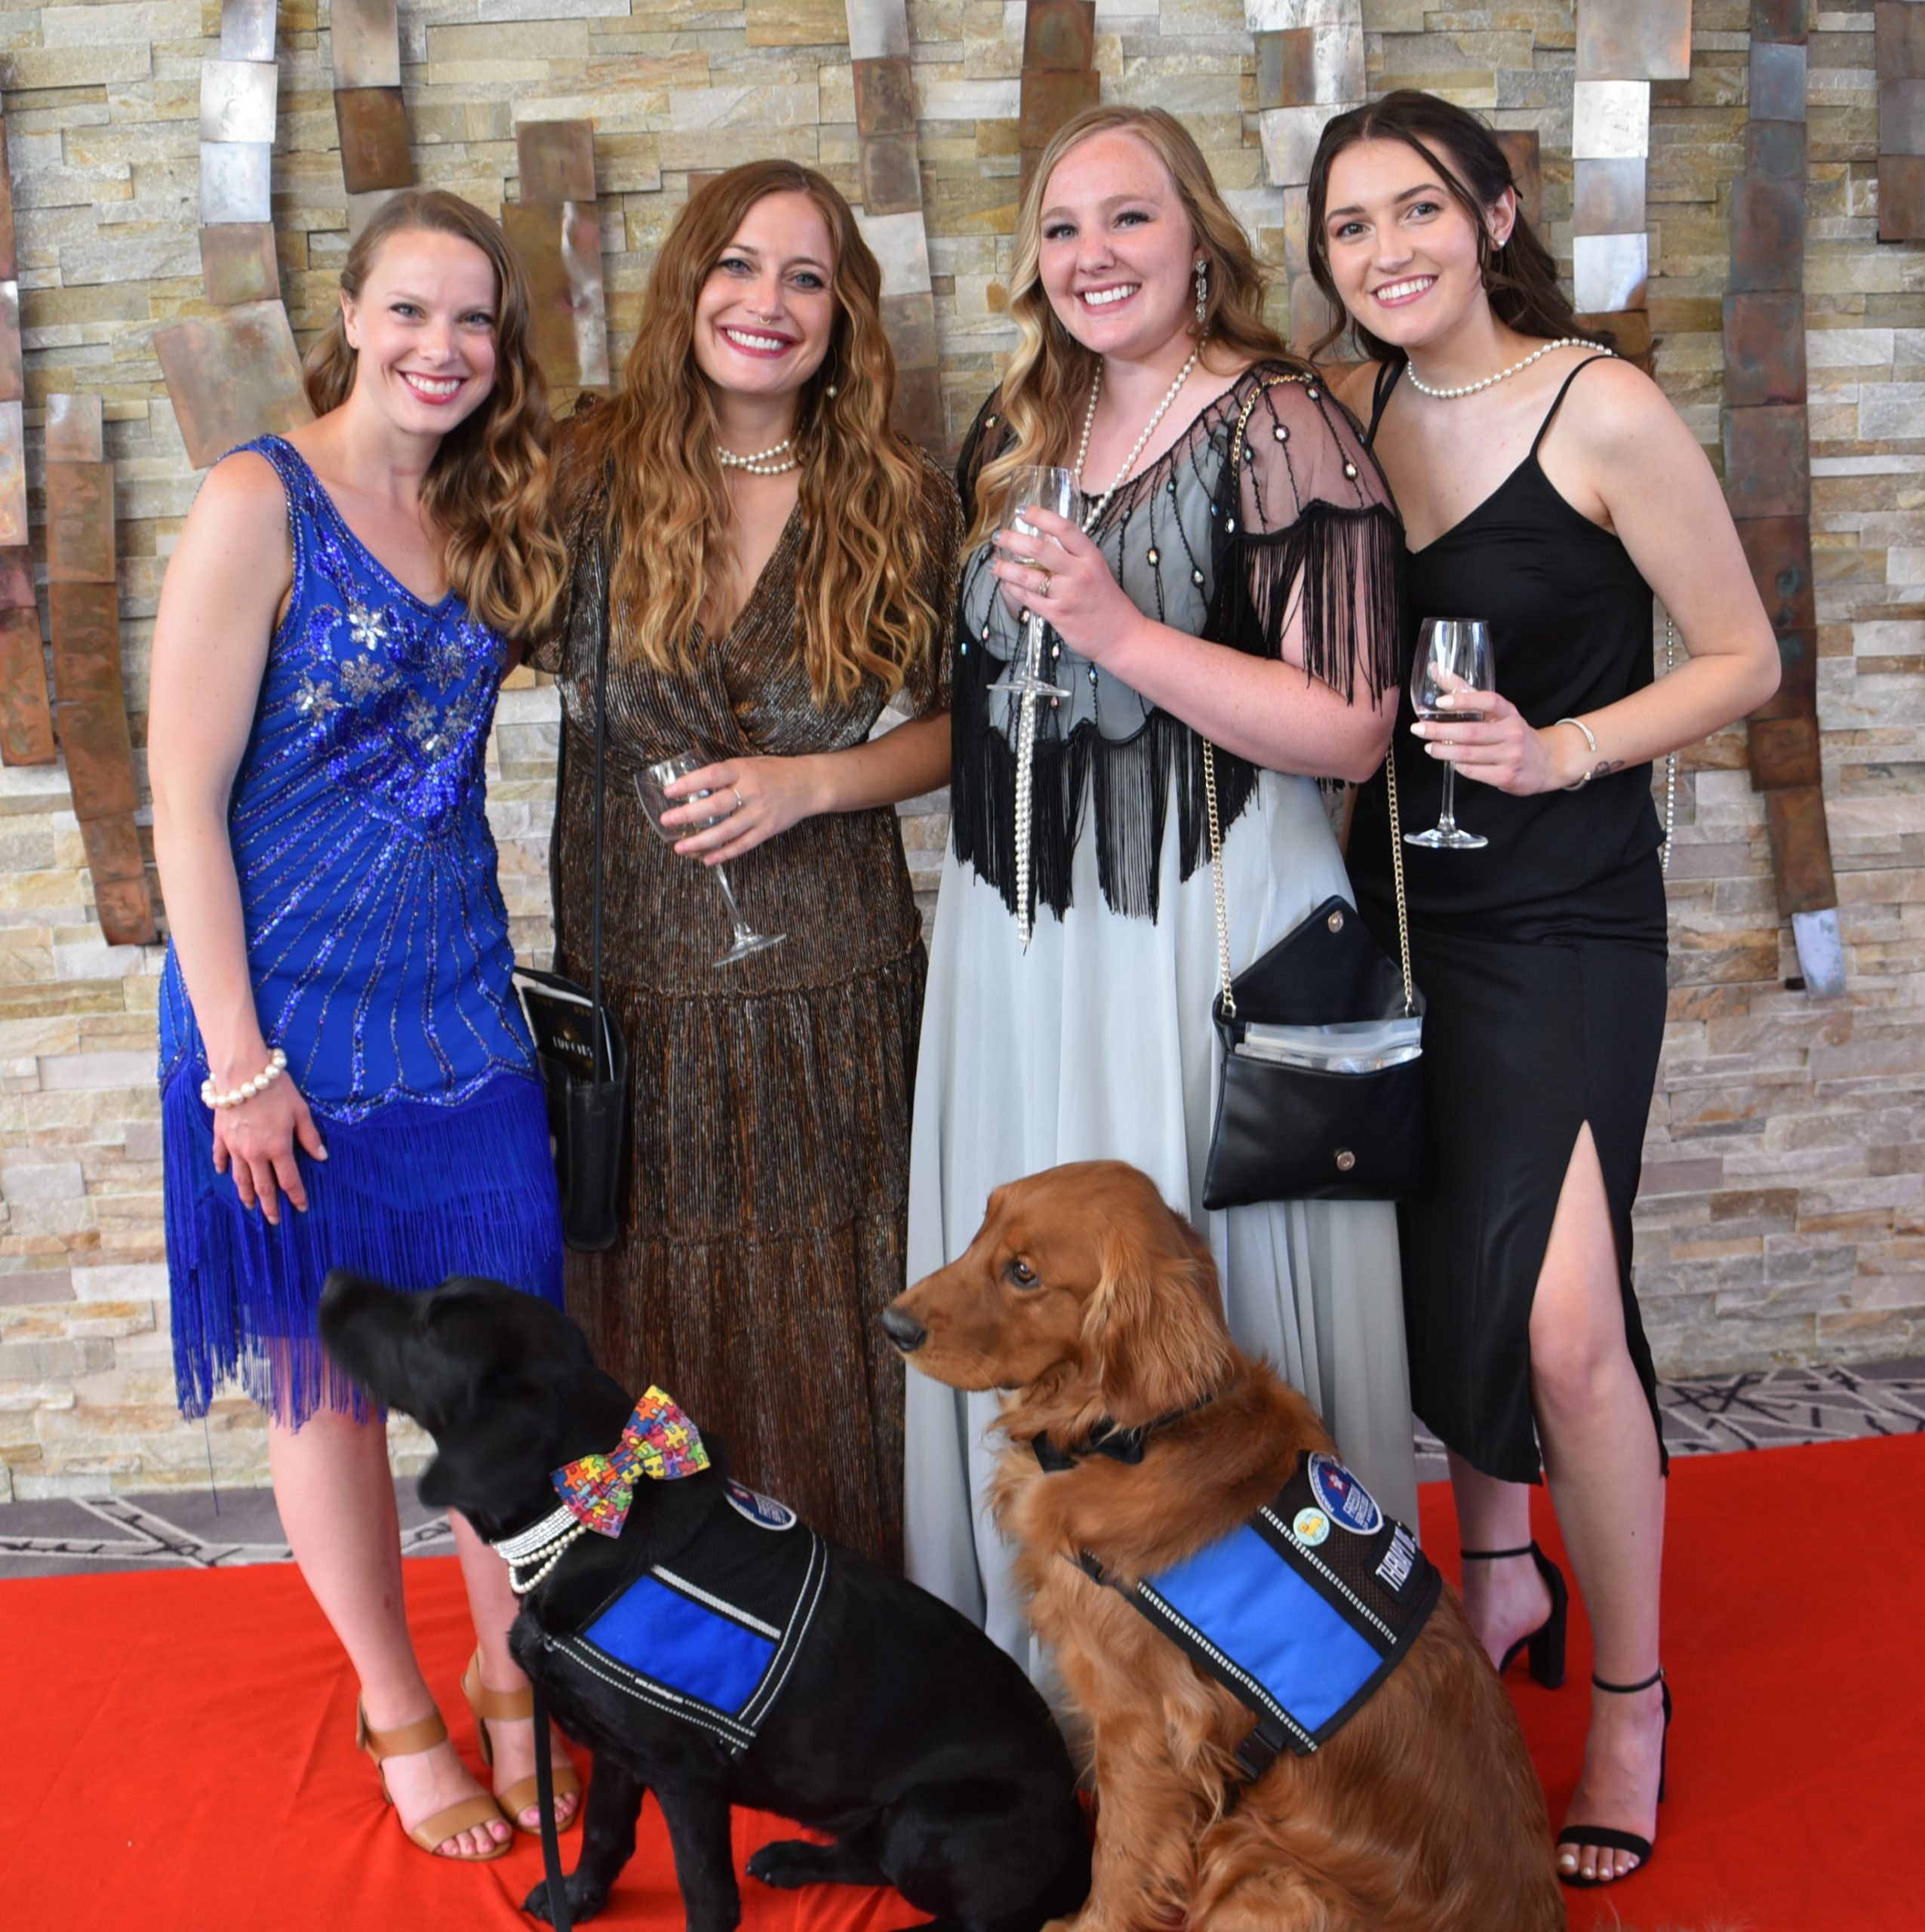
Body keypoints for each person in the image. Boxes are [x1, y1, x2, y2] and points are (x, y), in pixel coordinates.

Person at [1309, 91, 1782, 1887]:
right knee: (1451, 1282)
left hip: (1566, 918)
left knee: (1569, 1323)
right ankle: (1497, 1572)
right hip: (1396, 909)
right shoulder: (1341, 411)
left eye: (1417, 209)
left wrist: (1562, 747)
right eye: (1349, 226)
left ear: (1494, 215)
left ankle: (1630, 1698)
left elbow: (1742, 657)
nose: (1386, 252)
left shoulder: (1601, 407)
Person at [903, 103, 1419, 1675]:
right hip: (1016, 929)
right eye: (1061, 229)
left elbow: (1352, 724)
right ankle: (1054, 1660)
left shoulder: (1278, 421)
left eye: (1127, 218)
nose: (1092, 256)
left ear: (1199, 239)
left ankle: (1265, 1663)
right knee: (1032, 1272)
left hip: (1193, 912)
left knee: (1193, 1272)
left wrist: (1120, 632)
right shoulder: (1020, 428)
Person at [152, 191, 580, 1861]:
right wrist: (236, 1063)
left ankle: (515, 1680)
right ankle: (398, 1709)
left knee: (504, 1369)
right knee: (326, 1388)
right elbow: (182, 804)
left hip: (460, 1006)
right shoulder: (257, 499)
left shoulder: (495, 506)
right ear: (349, 315)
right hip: (283, 1030)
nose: (441, 347)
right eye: (410, 310)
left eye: (474, 320)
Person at [534, 161, 958, 1569]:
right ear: (688, 282)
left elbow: (977, 726)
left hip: (838, 994)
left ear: (844, 314)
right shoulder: (583, 476)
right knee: (646, 1335)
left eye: (806, 277)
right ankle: (659, 1624)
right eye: (737, 264)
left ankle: (853, 1617)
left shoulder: (901, 498)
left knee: (840, 1330)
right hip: (638, 1005)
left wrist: (816, 781)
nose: (766, 301)